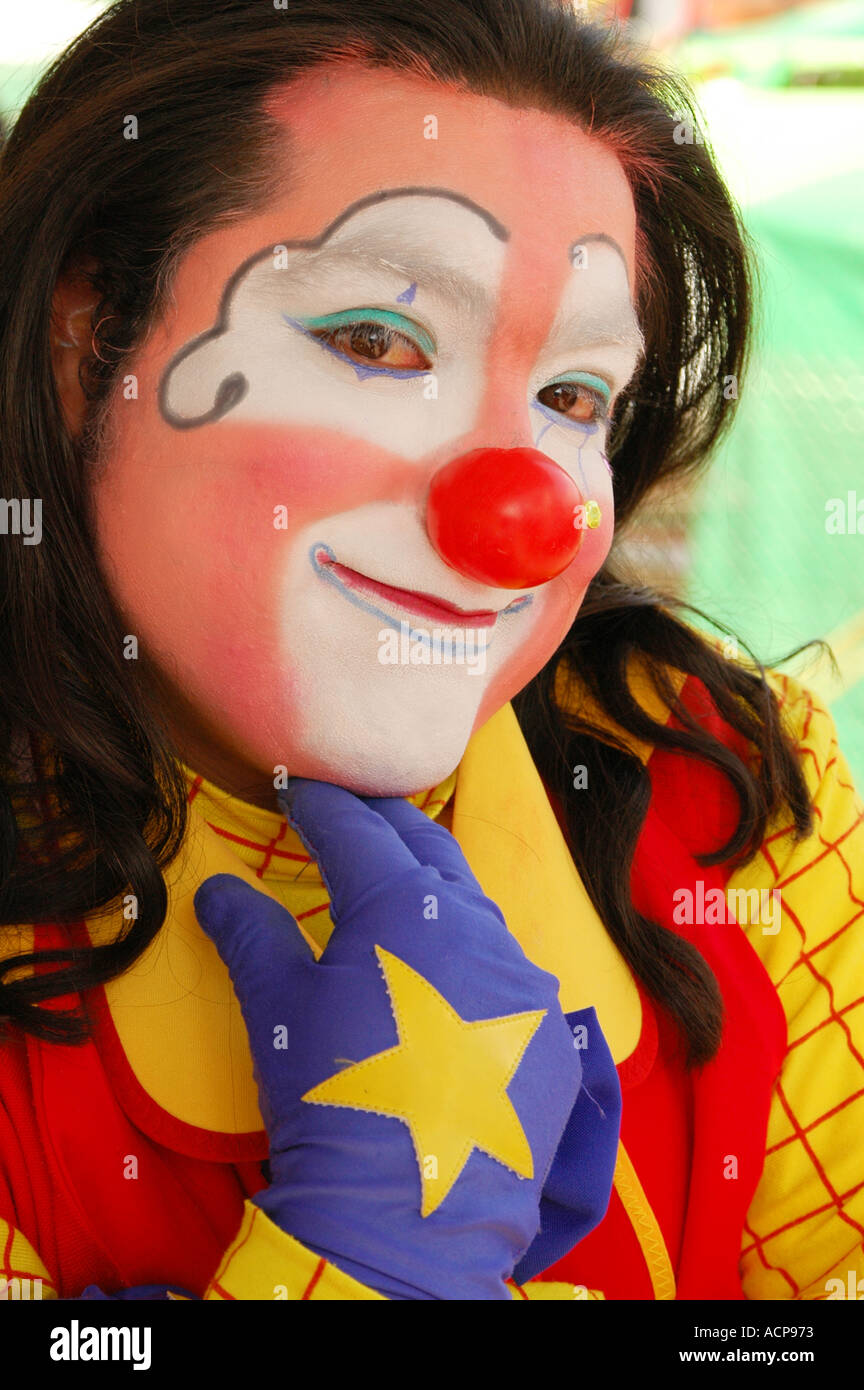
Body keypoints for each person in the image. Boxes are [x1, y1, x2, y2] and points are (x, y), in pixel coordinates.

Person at [0, 0, 861, 1302]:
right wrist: (361, 1272)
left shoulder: (734, 793)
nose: (513, 512)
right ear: (84, 349)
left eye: (572, 396)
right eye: (375, 341)